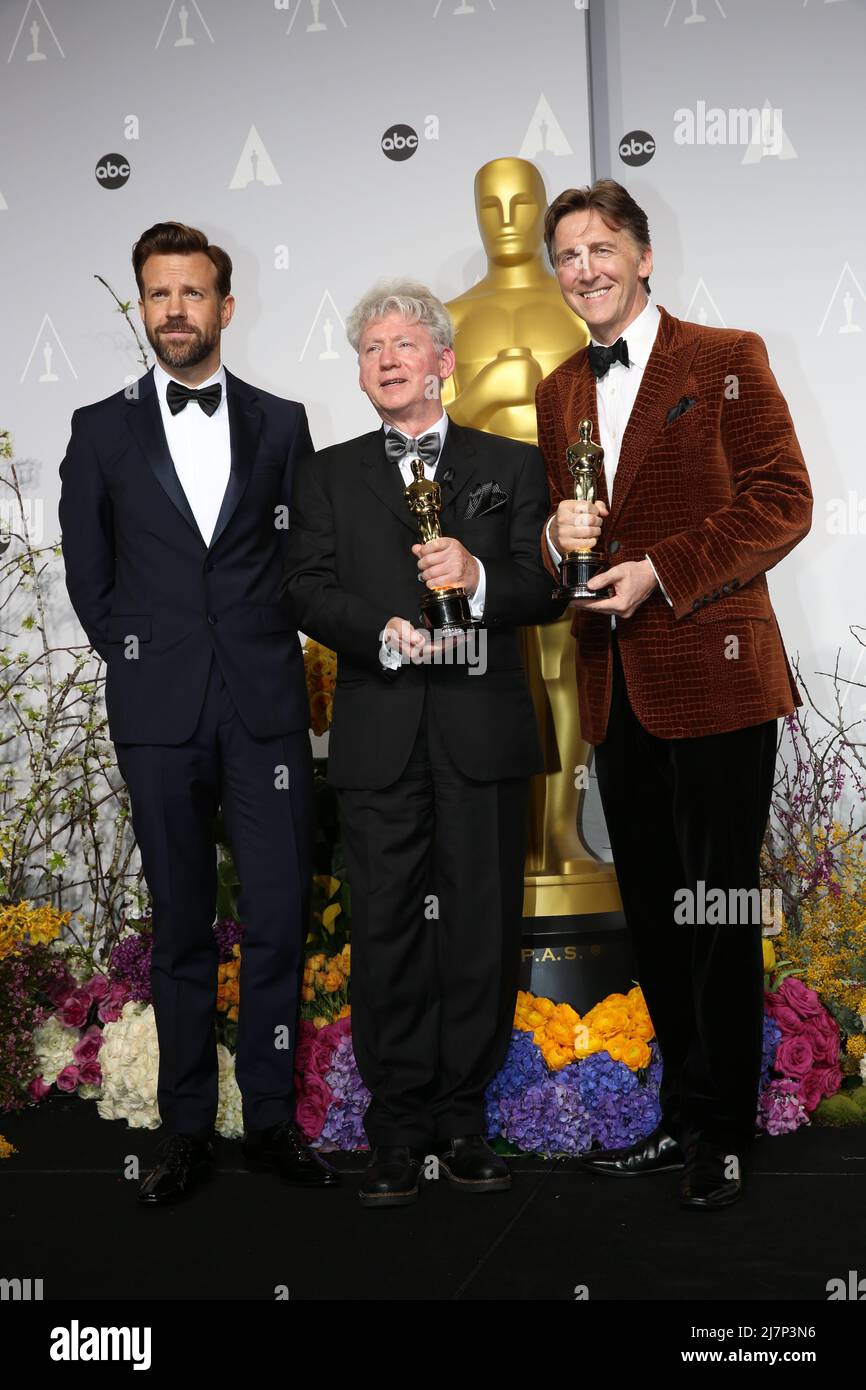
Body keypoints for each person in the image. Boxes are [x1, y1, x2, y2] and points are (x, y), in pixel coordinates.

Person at [536, 181, 812, 1209]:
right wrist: (549, 541)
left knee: (717, 906)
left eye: (601, 248)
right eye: (567, 255)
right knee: (652, 912)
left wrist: (659, 569)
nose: (584, 269)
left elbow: (782, 501)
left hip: (717, 677)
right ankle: (682, 1112)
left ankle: (723, 1131)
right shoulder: (558, 385)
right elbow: (565, 523)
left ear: (642, 257)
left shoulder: (723, 357)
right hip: (615, 685)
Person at [59, 221, 337, 1203]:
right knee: (180, 923)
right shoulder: (99, 430)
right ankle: (187, 1128)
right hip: (159, 712)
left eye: (191, 292)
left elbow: (300, 564)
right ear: (144, 306)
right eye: (157, 294)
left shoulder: (280, 420)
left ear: (225, 303)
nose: (174, 310)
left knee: (274, 918)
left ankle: (268, 1119)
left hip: (262, 711)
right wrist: (146, 663)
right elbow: (91, 582)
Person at [283, 279, 565, 1206]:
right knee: (389, 926)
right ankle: (397, 1127)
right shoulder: (326, 473)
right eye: (371, 349)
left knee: (480, 928)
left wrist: (478, 574)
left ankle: (463, 1119)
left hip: (483, 732)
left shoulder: (512, 465)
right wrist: (379, 633)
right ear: (361, 373)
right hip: (379, 736)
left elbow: (544, 588)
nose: (389, 359)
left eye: (406, 343)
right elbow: (308, 589)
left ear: (445, 361)